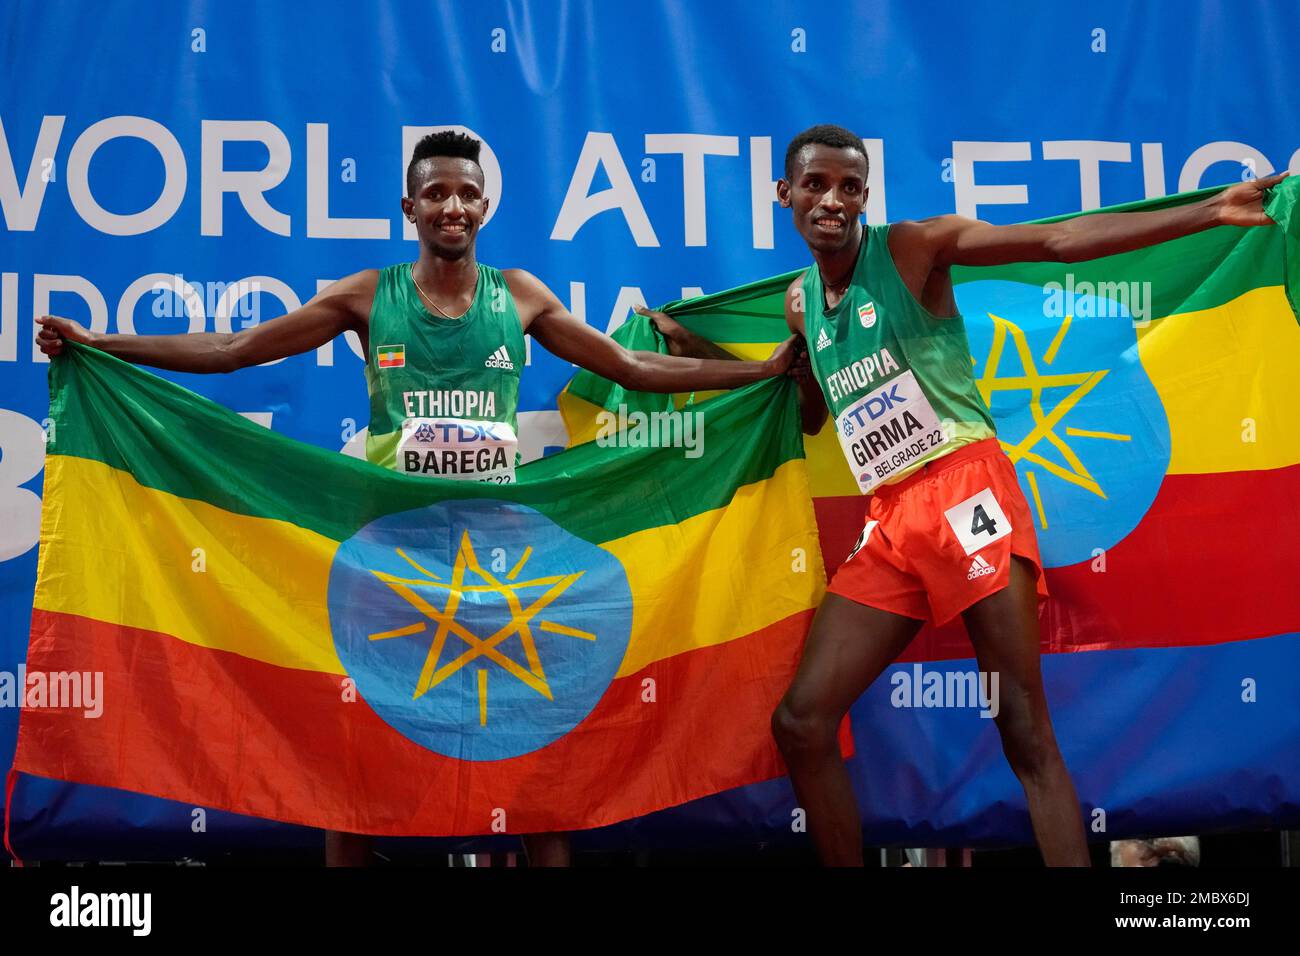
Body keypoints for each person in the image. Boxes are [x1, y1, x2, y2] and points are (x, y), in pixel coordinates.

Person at [36, 130, 797, 866]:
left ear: (487, 206)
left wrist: (760, 376)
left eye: (467, 194)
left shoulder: (521, 297)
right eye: (436, 194)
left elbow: (632, 368)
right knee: (358, 753)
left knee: (534, 743)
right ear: (409, 208)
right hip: (388, 558)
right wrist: (102, 346)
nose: (452, 208)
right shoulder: (369, 297)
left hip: (500, 558)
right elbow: (235, 350)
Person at [646, 124, 1285, 866]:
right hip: (890, 521)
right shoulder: (800, 304)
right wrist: (719, 360)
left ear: (865, 197)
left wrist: (1208, 213)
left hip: (965, 489)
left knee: (1022, 723)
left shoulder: (913, 248)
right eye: (816, 185)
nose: (833, 200)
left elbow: (1054, 244)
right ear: (784, 194)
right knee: (802, 721)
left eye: (850, 186)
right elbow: (816, 410)